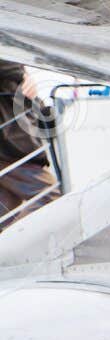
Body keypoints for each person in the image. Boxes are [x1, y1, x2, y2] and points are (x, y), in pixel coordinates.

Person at [0, 61, 59, 225]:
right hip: (12, 147)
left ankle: (10, 239)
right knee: (50, 197)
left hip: (14, 144)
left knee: (6, 211)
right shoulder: (12, 65)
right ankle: (17, 238)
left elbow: (25, 98)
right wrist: (23, 75)